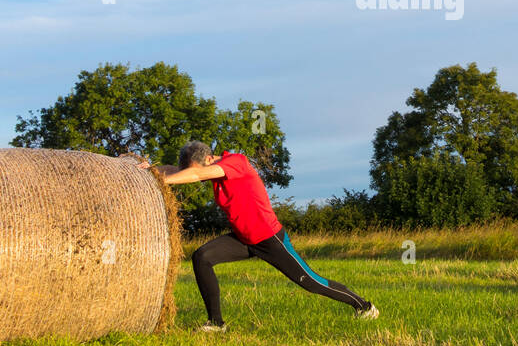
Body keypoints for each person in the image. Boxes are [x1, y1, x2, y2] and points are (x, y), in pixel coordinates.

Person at [137, 141, 378, 332]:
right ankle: (216, 323)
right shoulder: (207, 167)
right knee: (202, 257)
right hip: (243, 239)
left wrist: (164, 181)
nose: (198, 176)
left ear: (209, 160)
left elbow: (194, 175)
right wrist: (151, 172)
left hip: (269, 239)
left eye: (199, 170)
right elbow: (181, 171)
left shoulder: (236, 162)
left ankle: (364, 306)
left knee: (310, 281)